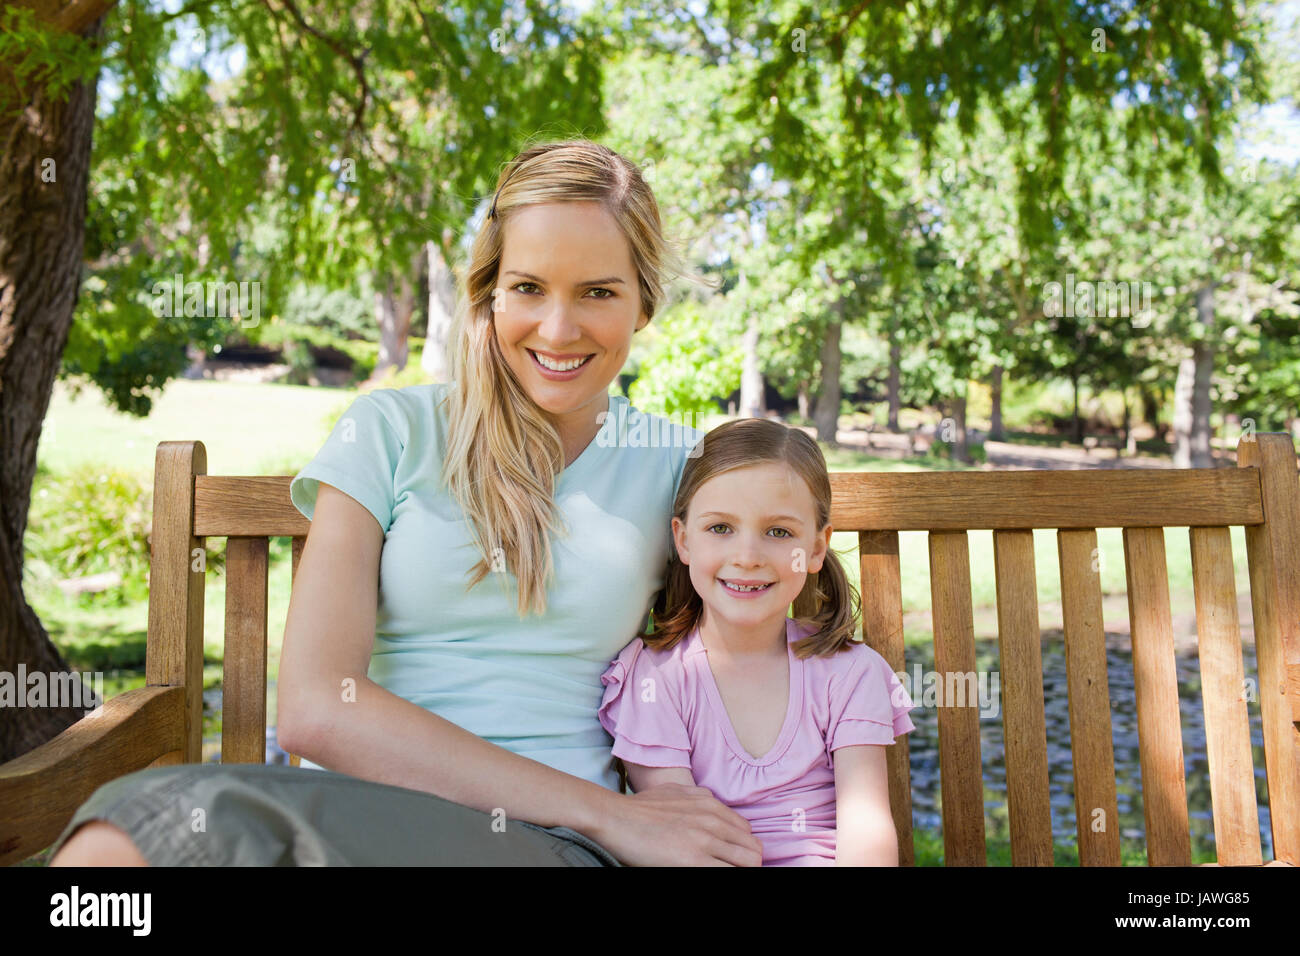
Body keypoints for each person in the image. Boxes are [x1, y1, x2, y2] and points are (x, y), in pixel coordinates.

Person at [47, 138, 766, 867]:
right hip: (358, 823)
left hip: (548, 848)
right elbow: (317, 706)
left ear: (644, 302)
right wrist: (611, 814)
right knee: (125, 838)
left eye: (599, 292)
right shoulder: (389, 431)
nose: (557, 328)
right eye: (528, 288)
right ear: (488, 290)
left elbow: (767, 665)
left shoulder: (679, 467)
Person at [598, 417, 916, 865]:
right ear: (682, 539)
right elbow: (679, 841)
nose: (747, 557)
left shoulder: (849, 673)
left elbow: (866, 830)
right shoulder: (656, 680)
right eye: (721, 528)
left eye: (779, 532)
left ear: (818, 548)